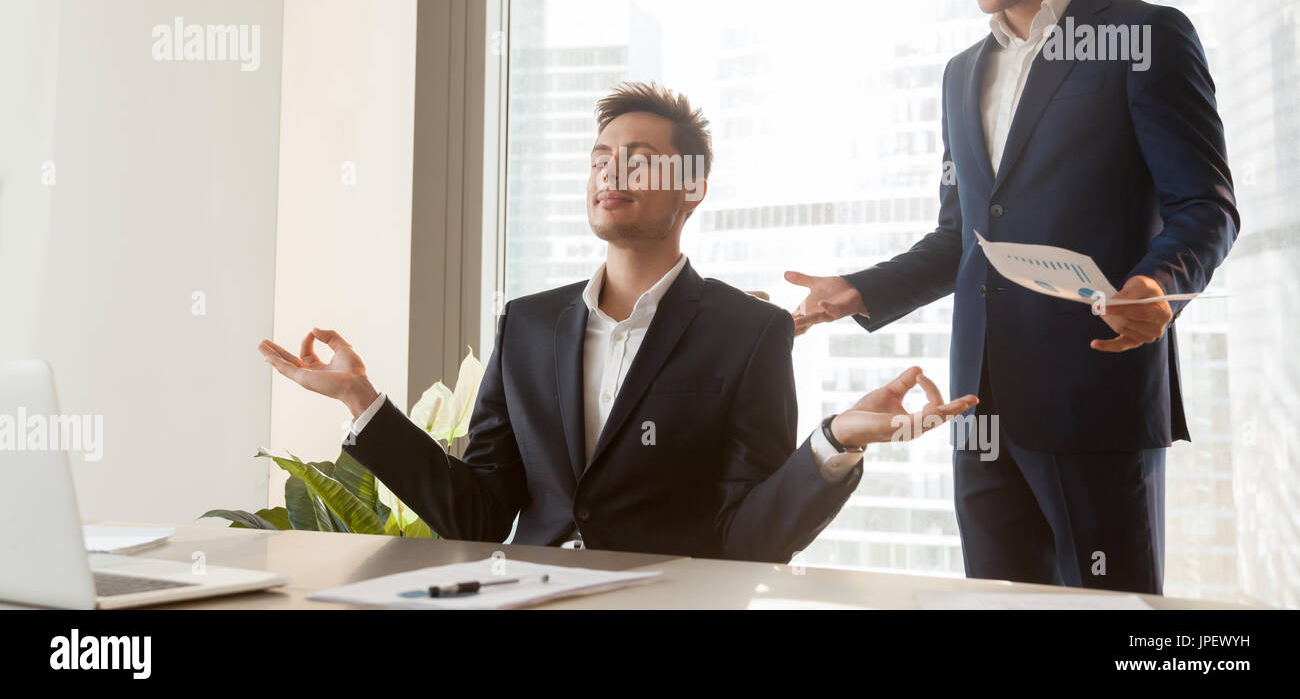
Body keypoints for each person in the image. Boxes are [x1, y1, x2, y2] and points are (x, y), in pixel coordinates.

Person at [260, 82, 975, 562]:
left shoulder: (746, 333)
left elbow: (748, 538)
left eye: (639, 161)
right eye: (601, 159)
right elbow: (478, 515)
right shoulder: (528, 325)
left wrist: (835, 440)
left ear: (691, 190)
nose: (612, 175)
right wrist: (360, 399)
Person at [786, 0, 1238, 594]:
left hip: (1096, 401)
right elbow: (961, 237)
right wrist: (857, 292)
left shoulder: (1146, 38)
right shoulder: (963, 74)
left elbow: (1206, 205)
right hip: (979, 411)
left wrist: (1160, 283)